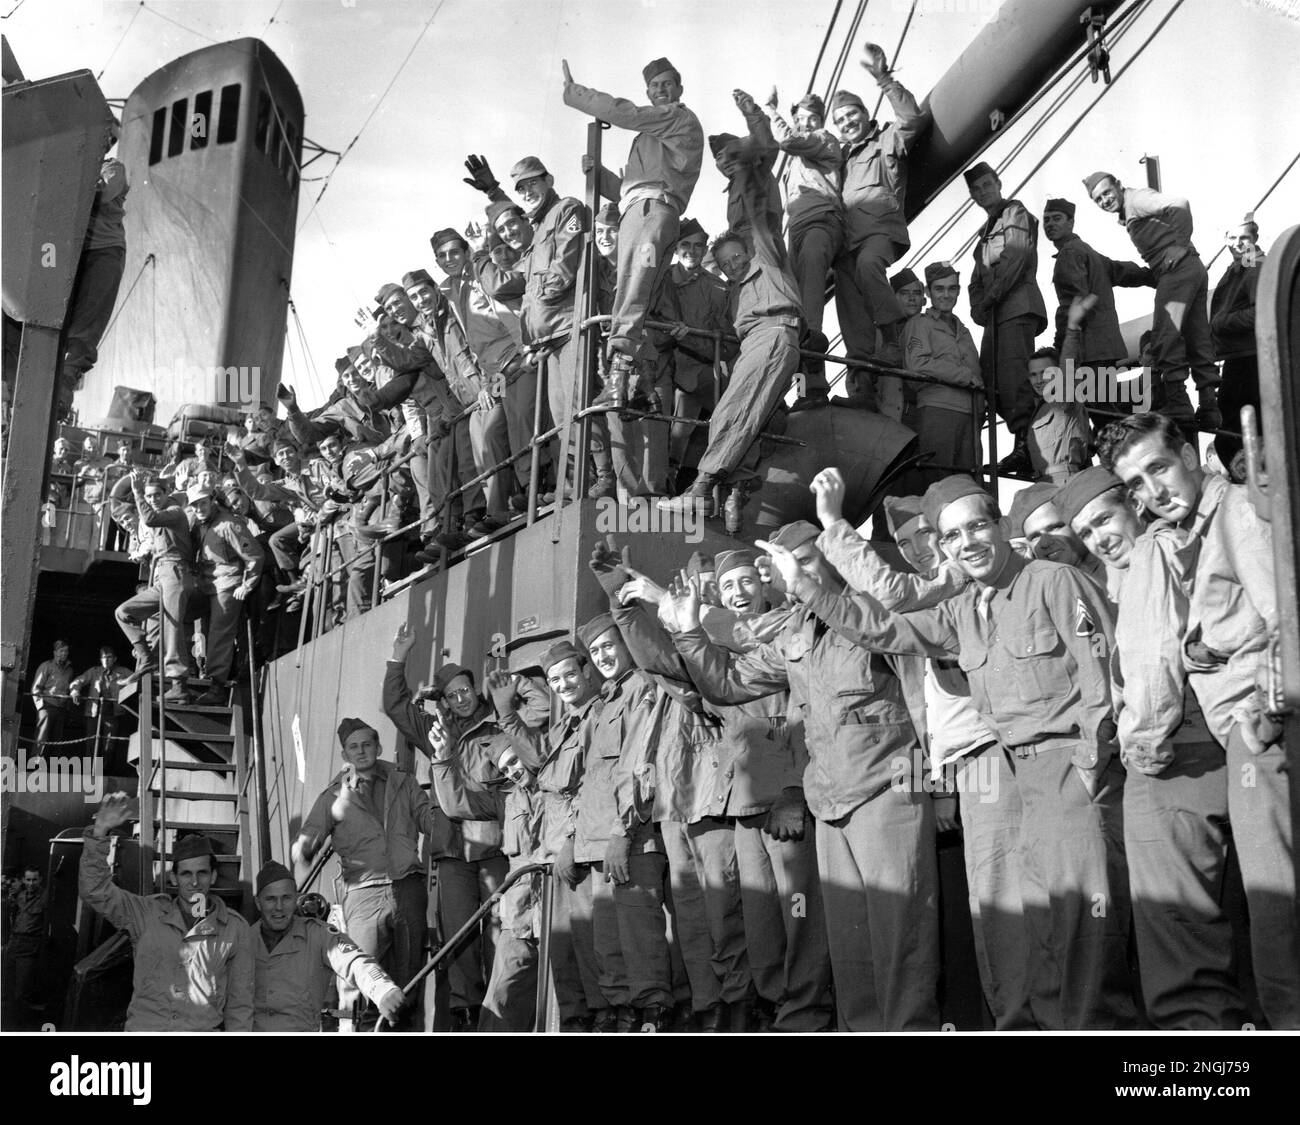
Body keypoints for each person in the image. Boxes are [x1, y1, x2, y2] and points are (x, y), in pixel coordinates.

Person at [780, 473, 1136, 1029]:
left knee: (1085, 924)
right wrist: (807, 588)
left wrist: (1091, 765)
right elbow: (879, 627)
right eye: (955, 535)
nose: (968, 541)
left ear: (1000, 527)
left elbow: (1104, 679)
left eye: (978, 526)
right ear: (944, 548)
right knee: (1034, 923)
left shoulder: (1054, 580)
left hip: (1068, 767)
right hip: (1016, 767)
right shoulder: (962, 610)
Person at [668, 520, 941, 1031]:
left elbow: (919, 698)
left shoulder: (873, 613)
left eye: (808, 561)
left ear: (833, 559)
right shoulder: (797, 632)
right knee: (852, 948)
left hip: (888, 793)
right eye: (791, 566)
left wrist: (938, 784)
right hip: (831, 804)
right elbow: (727, 683)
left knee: (902, 939)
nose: (796, 575)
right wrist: (687, 629)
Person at [1099, 412, 1298, 1028]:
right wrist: (1199, 648)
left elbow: (1283, 620)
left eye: (1158, 468)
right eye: (1135, 484)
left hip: (1259, 731)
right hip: (1238, 732)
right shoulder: (1178, 534)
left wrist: (1263, 715)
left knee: (1278, 913)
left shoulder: (1235, 510)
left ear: (1188, 454)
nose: (1152, 492)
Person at [1057, 465, 1249, 1028]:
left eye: (1105, 519)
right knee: (1211, 926)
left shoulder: (1152, 559)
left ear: (1135, 507)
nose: (1099, 538)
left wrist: (1139, 745)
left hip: (1172, 754)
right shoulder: (1132, 572)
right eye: (1086, 533)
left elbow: (1153, 666)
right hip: (1203, 750)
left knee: (1178, 936)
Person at [614, 545, 834, 1032]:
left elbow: (804, 718)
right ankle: (776, 1006)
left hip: (786, 799)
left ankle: (809, 1014)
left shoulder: (784, 629)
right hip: (744, 802)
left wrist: (795, 790)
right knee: (760, 924)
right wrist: (626, 608)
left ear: (765, 584)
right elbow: (676, 662)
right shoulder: (727, 646)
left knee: (799, 916)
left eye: (746, 583)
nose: (738, 593)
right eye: (728, 585)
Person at [658, 90, 801, 534]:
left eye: (736, 259)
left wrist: (752, 121)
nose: (733, 266)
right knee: (749, 415)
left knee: (732, 411)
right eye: (723, 265)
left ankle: (700, 490)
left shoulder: (762, 241)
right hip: (760, 339)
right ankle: (734, 491)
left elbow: (764, 165)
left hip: (775, 333)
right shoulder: (735, 287)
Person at [382, 627, 507, 1031]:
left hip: (496, 850)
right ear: (445, 701)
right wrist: (398, 659)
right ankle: (465, 1010)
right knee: (459, 936)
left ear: (475, 689)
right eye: (451, 694)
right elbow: (396, 706)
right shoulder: (437, 731)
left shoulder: (499, 724)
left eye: (465, 689)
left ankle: (499, 1010)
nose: (461, 698)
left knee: (501, 932)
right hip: (453, 853)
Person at [562, 56, 703, 405]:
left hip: (652, 212)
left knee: (634, 289)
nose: (661, 91)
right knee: (641, 295)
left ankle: (620, 375)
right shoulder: (652, 136)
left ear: (679, 89)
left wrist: (575, 94)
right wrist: (597, 173)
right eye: (655, 86)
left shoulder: (677, 118)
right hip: (641, 211)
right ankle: (638, 384)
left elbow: (626, 113)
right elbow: (628, 187)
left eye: (667, 84)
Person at [292, 717, 436, 1030]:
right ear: (345, 755)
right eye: (353, 747)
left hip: (408, 888)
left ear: (378, 746)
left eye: (367, 744)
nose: (361, 751)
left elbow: (431, 821)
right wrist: (305, 846)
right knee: (362, 985)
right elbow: (307, 840)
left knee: (409, 987)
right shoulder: (331, 796)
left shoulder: (403, 781)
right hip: (363, 897)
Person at [80, 799, 255, 1031]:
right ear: (173, 878)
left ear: (213, 876)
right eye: (186, 874)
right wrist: (99, 833)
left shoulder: (235, 929)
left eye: (202, 873)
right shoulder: (145, 914)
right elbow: (95, 890)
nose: (194, 882)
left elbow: (239, 1006)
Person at [1083, 171, 1220, 434]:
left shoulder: (1136, 199)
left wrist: (1178, 245)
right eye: (1098, 199)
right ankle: (1209, 405)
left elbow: (1180, 203)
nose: (1105, 200)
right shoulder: (1128, 210)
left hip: (1178, 271)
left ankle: (1179, 403)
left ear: (1119, 186)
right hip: (1190, 270)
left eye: (1107, 193)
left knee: (1165, 337)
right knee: (1197, 336)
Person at [831, 44, 930, 392]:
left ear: (863, 113)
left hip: (878, 232)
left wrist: (884, 79)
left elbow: (912, 119)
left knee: (868, 266)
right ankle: (860, 369)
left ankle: (892, 334)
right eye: (841, 121)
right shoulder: (840, 160)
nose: (848, 123)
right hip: (847, 241)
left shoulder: (884, 140)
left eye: (851, 114)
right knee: (849, 300)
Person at [964, 162, 1049, 477]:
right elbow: (975, 280)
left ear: (998, 184)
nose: (983, 192)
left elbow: (1016, 256)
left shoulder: (1015, 213)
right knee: (990, 381)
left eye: (987, 185)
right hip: (995, 315)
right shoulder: (984, 234)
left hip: (1015, 308)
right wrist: (977, 307)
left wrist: (991, 297)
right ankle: (1025, 440)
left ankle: (1029, 447)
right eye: (976, 189)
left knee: (1014, 376)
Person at [250, 860, 405, 1032]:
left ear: (296, 899)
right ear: (258, 903)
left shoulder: (319, 935)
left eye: (286, 898)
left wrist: (383, 989)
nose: (279, 907)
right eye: (270, 899)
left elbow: (355, 962)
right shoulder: (242, 940)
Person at [762, 88, 843, 402]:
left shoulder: (824, 140)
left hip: (820, 223)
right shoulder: (798, 160)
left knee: (809, 310)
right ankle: (804, 391)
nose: (805, 124)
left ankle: (815, 390)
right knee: (795, 315)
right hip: (797, 229)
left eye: (811, 118)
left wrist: (772, 111)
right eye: (800, 119)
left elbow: (787, 140)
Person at [1041, 196, 1152, 397]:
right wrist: (1156, 276)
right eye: (1046, 220)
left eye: (1056, 218)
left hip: (1088, 349)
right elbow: (1123, 271)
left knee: (1099, 409)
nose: (1049, 224)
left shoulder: (1070, 254)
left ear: (1071, 222)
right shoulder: (1086, 251)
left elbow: (1075, 304)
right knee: (1105, 406)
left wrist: (1060, 346)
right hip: (1106, 347)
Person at [59, 119, 127, 421]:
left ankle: (63, 389)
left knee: (85, 327)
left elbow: (101, 193)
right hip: (72, 253)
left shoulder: (113, 168)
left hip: (103, 252)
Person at [901, 261, 984, 488]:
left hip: (971, 415)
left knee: (972, 484)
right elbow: (917, 365)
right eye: (939, 289)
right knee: (940, 483)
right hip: (938, 411)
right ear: (928, 292)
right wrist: (964, 376)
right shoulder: (920, 324)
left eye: (952, 288)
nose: (946, 295)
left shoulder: (964, 331)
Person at [115, 472, 197, 699]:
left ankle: (179, 685)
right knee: (124, 612)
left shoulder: (174, 512)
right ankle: (146, 658)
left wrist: (137, 492)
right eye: (149, 496)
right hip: (163, 575)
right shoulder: (162, 513)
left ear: (166, 494)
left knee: (172, 629)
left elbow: (149, 519)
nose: (152, 499)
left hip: (176, 572)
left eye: (156, 495)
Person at [186, 483, 264, 704]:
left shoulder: (229, 524)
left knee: (220, 633)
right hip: (206, 583)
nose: (199, 508)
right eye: (194, 505)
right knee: (180, 611)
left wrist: (246, 585)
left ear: (211, 501)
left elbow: (255, 556)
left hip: (228, 583)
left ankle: (217, 685)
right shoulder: (200, 524)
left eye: (202, 503)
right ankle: (188, 671)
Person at [1211, 214, 1266, 438]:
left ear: (1255, 238)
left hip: (1249, 358)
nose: (1238, 243)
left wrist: (1223, 322)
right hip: (1238, 356)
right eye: (1233, 237)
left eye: (1244, 238)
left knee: (1233, 424)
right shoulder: (1241, 265)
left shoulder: (1256, 267)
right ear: (1225, 238)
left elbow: (1262, 312)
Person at [1023, 345, 1093, 484]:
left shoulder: (1065, 399)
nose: (1039, 380)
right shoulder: (1041, 410)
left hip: (1066, 480)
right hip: (1044, 483)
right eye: (1033, 374)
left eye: (1045, 373)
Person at [69, 646, 132, 763]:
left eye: (109, 657)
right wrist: (75, 690)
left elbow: (137, 679)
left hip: (113, 714)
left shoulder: (123, 672)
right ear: (100, 659)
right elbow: (79, 680)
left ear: (114, 659)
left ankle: (103, 773)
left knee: (109, 746)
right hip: (94, 713)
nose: (106, 660)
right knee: (91, 745)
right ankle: (89, 774)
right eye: (104, 657)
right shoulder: (94, 671)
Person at [2, 866, 47, 1025]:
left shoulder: (45, 897)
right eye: (28, 879)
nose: (31, 883)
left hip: (29, 946)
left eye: (35, 879)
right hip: (14, 943)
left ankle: (19, 1026)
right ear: (23, 880)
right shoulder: (19, 896)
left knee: (21, 991)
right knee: (5, 985)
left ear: (40, 880)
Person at [29, 639, 74, 756]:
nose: (64, 653)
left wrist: (67, 707)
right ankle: (34, 766)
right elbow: (35, 688)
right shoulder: (46, 666)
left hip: (61, 709)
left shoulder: (70, 670)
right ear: (55, 652)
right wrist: (41, 707)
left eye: (66, 651)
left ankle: (52, 768)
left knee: (57, 740)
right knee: (42, 737)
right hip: (47, 707)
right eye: (61, 651)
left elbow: (69, 690)